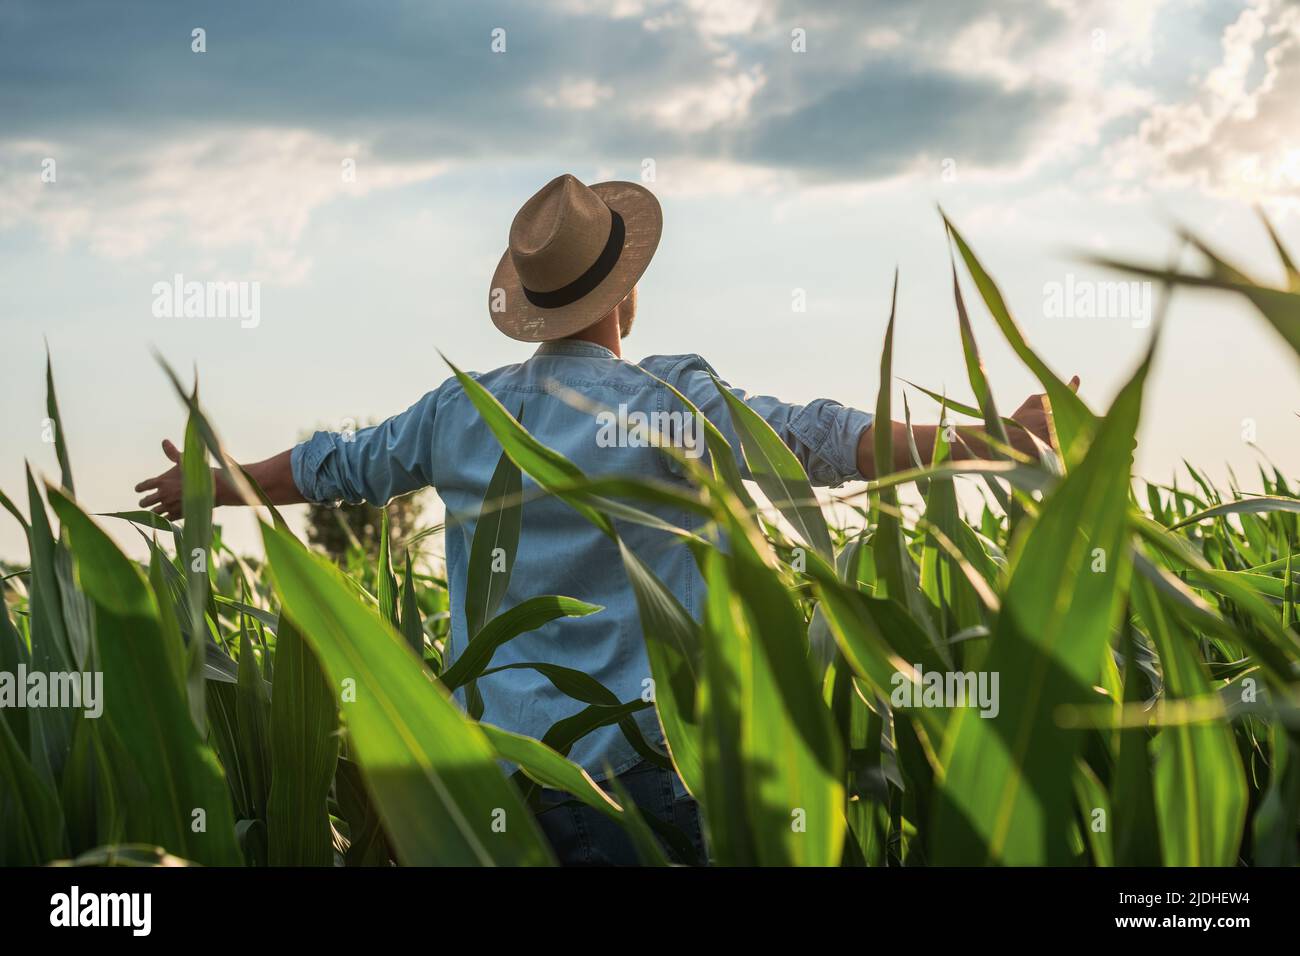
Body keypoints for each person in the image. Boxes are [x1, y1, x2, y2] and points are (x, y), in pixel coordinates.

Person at [135, 173, 1061, 865]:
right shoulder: (666, 402)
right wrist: (994, 442)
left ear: (534, 309)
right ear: (624, 295)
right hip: (654, 777)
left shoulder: (459, 414)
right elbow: (821, 442)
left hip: (498, 791)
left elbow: (339, 465)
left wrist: (216, 484)